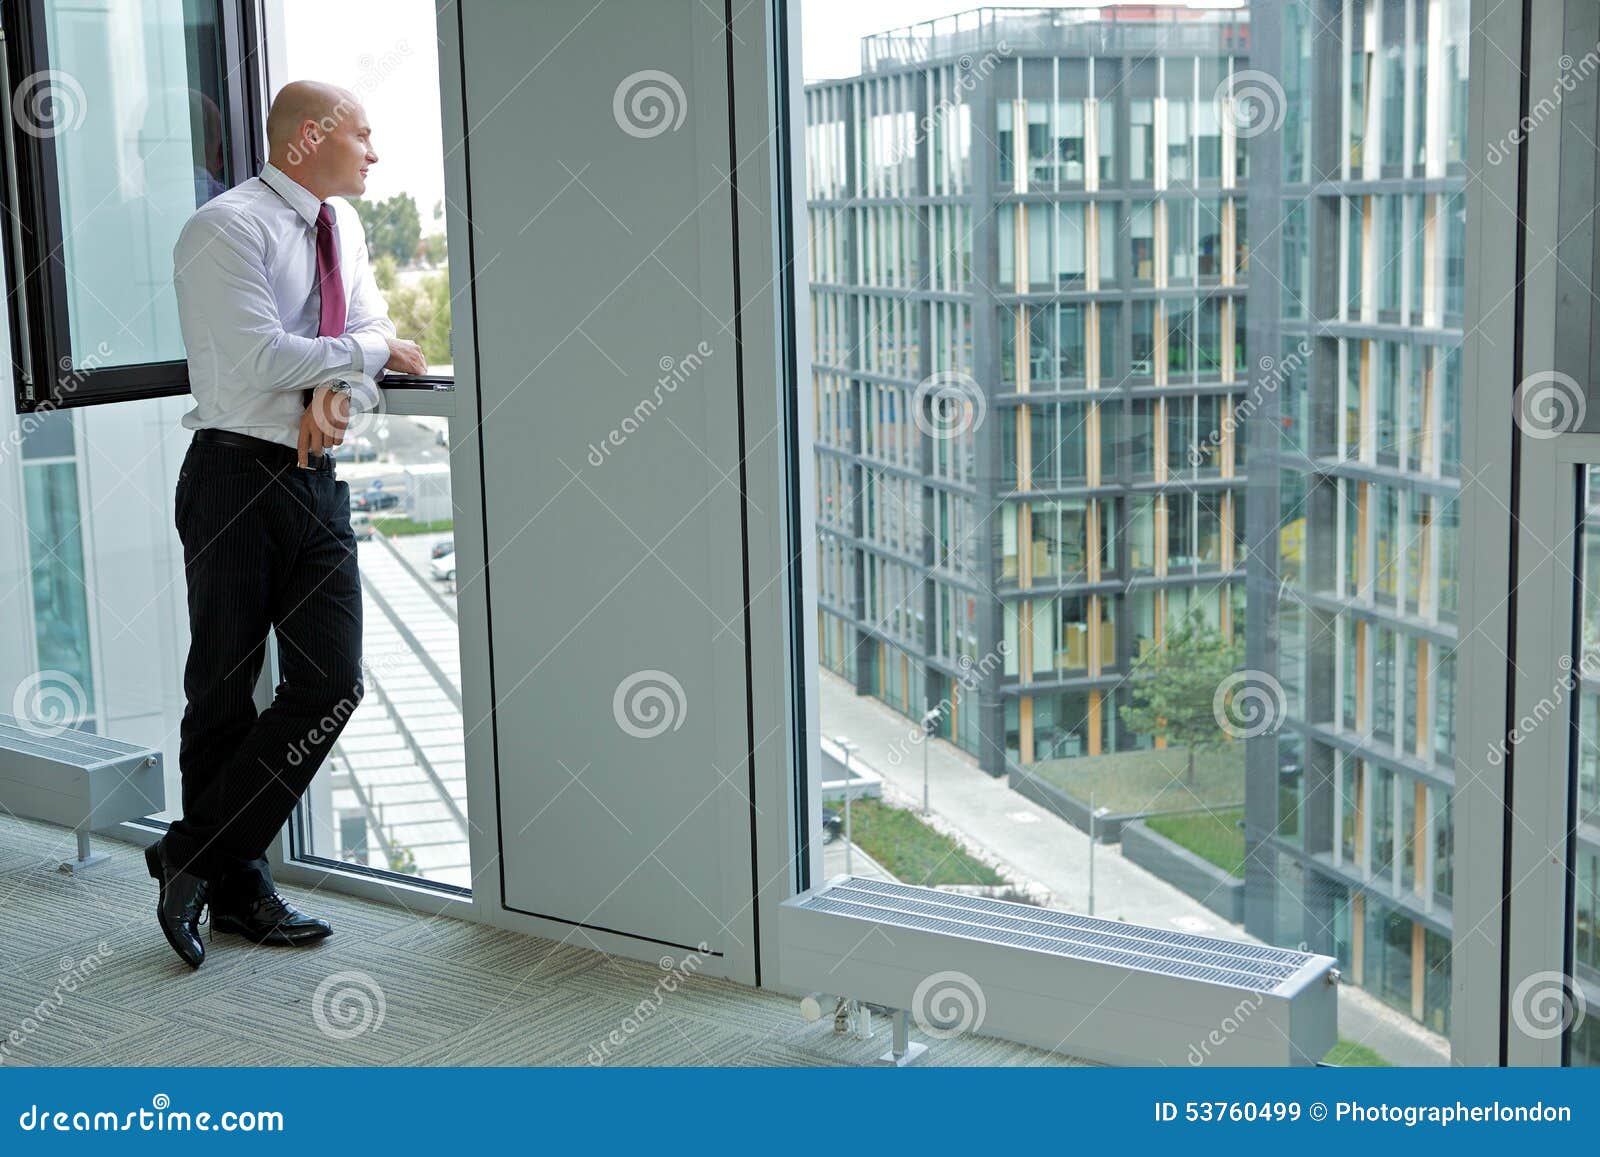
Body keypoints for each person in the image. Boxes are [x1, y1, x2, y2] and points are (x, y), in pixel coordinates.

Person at [146, 79, 429, 969]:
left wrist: (339, 390)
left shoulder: (341, 229)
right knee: (223, 693)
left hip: (316, 479)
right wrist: (370, 358)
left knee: (328, 684)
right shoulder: (224, 227)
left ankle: (189, 854)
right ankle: (236, 889)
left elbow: (362, 329)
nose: (375, 152)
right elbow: (265, 355)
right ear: (312, 136)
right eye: (364, 133)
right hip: (233, 475)